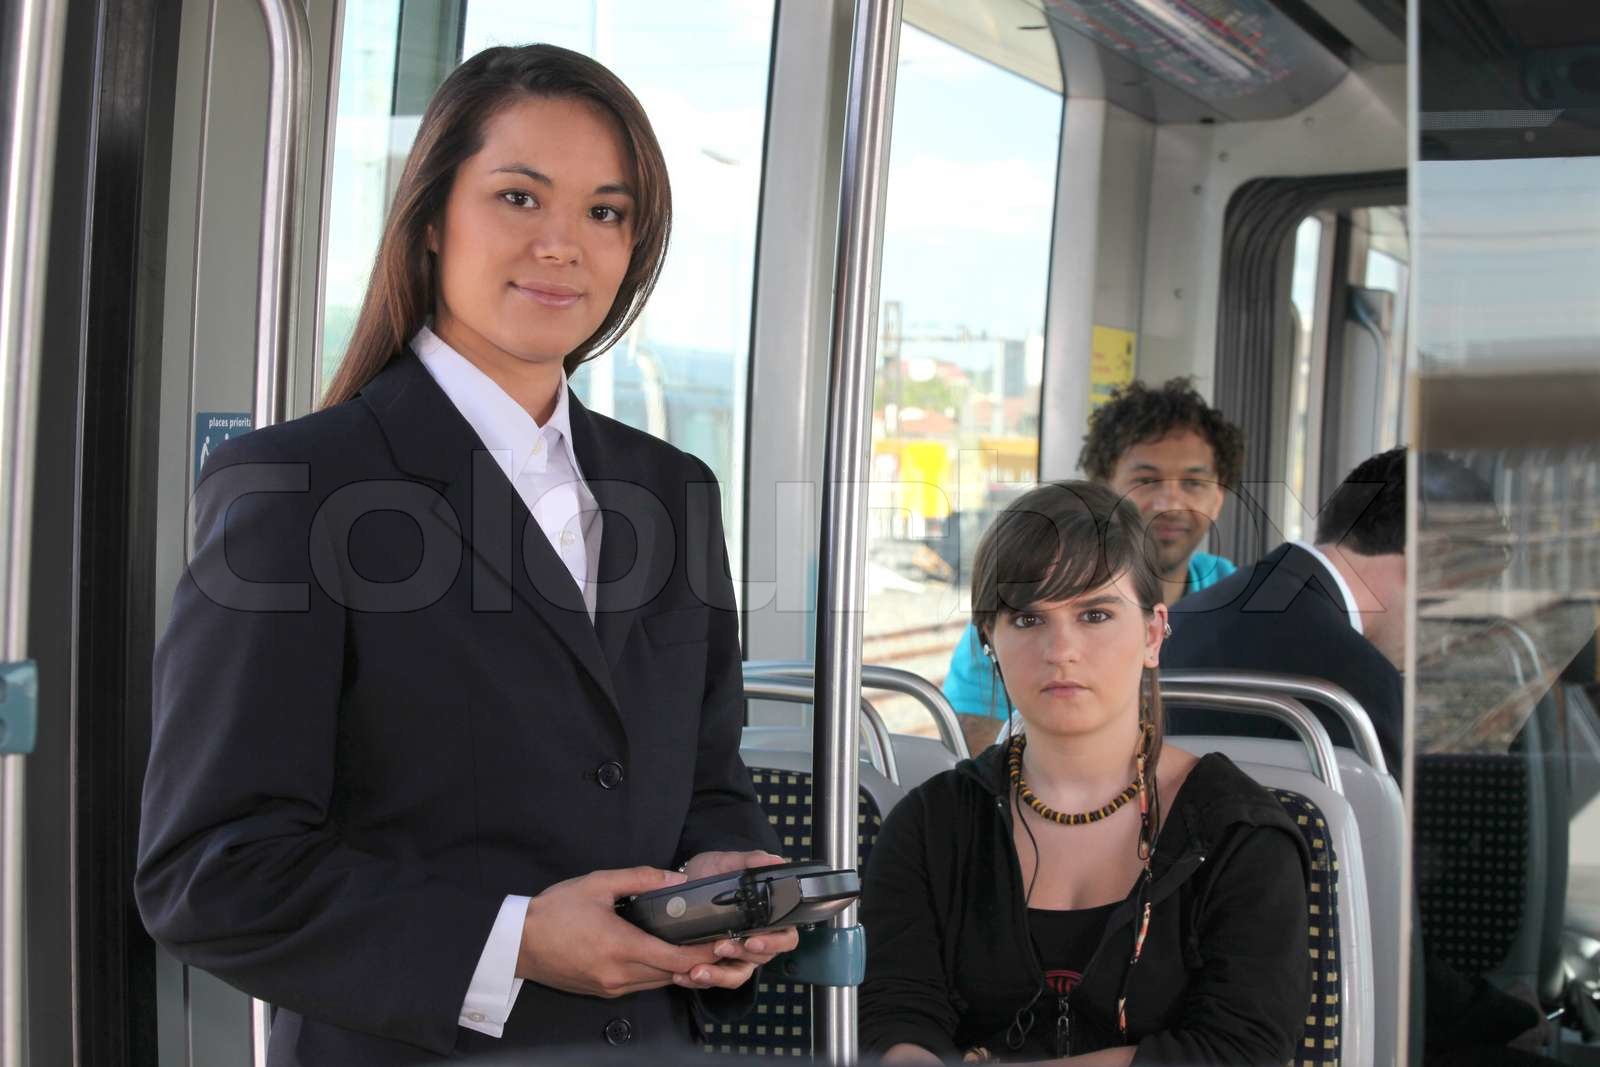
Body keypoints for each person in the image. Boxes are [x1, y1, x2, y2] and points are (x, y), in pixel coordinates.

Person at [134, 45, 794, 1064]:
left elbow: (703, 777)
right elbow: (209, 873)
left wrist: (722, 879)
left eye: (605, 212)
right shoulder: (297, 488)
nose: (563, 244)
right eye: (520, 197)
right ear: (433, 219)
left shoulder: (673, 490)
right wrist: (514, 940)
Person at [861, 482, 1310, 1065]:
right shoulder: (931, 823)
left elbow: (1239, 1050)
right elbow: (892, 1011)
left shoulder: (1238, 835)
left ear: (1153, 633)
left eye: (1094, 613)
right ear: (988, 643)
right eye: (1027, 619)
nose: (1061, 649)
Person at [943, 379, 1245, 724]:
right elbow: (976, 732)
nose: (1170, 504)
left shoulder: (1237, 598)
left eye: (1193, 483)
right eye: (1146, 480)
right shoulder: (1028, 591)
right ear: (1101, 490)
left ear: (1218, 499)